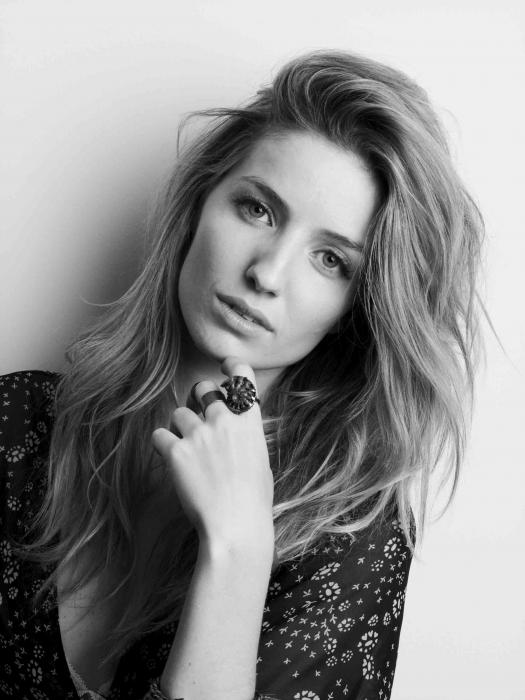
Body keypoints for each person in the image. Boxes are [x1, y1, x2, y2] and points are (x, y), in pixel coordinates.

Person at [0, 49, 484, 700]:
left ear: (356, 307)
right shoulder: (19, 423)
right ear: (200, 202)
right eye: (257, 209)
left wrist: (238, 551)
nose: (267, 273)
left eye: (330, 260)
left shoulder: (351, 540)